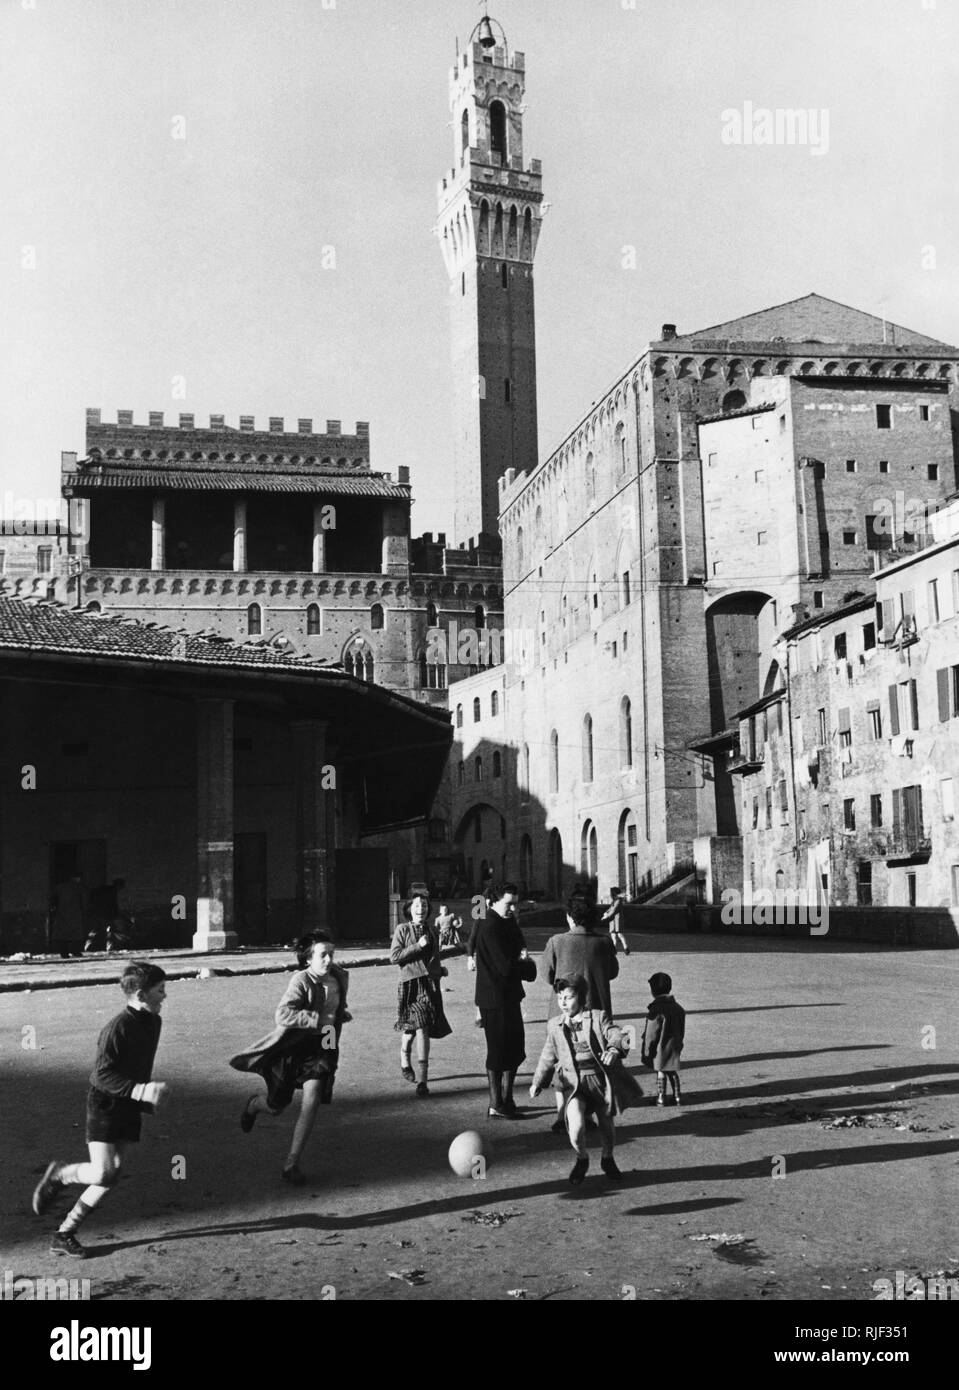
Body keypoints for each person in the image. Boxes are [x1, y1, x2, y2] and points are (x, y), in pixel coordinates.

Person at [32, 960, 170, 1258]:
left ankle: (64, 1233)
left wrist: (142, 1096)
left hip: (128, 1104)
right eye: (160, 990)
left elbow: (137, 1065)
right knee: (103, 1172)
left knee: (111, 1175)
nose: (165, 995)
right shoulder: (117, 1027)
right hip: (105, 1104)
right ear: (142, 995)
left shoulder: (153, 1021)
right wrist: (141, 1090)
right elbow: (101, 1075)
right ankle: (61, 1176)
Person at [230, 932, 351, 1183]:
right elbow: (283, 1014)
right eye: (323, 955)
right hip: (295, 1046)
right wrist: (315, 1019)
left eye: (332, 954)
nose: (328, 960)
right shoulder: (301, 980)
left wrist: (340, 1015)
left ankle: (291, 1163)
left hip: (324, 1044)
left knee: (312, 1101)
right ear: (309, 958)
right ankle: (254, 1105)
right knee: (277, 1106)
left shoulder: (339, 976)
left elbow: (335, 1006)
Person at [530, 974, 642, 1185]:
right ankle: (581, 1157)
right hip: (574, 1084)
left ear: (581, 997)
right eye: (560, 997)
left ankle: (608, 1158)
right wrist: (538, 1081)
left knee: (606, 1125)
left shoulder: (598, 1017)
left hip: (599, 1080)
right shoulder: (554, 1025)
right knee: (576, 1126)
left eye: (569, 997)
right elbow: (548, 1054)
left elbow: (618, 1034)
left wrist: (613, 1049)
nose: (563, 1002)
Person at [541, 892, 620, 1133]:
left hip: (563, 1013)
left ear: (569, 918)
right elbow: (612, 972)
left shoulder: (556, 941)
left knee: (563, 1062)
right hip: (595, 1011)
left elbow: (547, 975)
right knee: (592, 1063)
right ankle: (588, 1115)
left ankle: (562, 1114)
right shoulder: (604, 942)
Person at [473, 882, 533, 1118]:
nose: (513, 909)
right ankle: (496, 1102)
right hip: (494, 999)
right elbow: (506, 966)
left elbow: (520, 947)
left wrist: (523, 960)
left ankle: (506, 1100)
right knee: (499, 1051)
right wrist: (526, 965)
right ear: (494, 902)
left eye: (515, 904)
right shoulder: (489, 925)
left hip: (509, 996)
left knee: (515, 1049)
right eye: (509, 904)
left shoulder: (507, 922)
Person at [389, 893, 451, 1097]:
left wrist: (439, 970)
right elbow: (395, 957)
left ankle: (423, 1081)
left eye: (424, 905)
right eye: (417, 905)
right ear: (409, 908)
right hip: (410, 984)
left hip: (429, 984)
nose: (421, 909)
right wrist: (418, 945)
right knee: (410, 1030)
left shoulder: (433, 929)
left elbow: (434, 957)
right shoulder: (402, 929)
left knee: (423, 1028)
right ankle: (404, 1059)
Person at [641, 971, 686, 1106]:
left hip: (660, 1046)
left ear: (653, 991)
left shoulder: (656, 1009)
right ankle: (677, 1096)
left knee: (661, 1071)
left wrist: (647, 1049)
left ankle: (661, 1097)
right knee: (672, 1071)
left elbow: (651, 1033)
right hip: (675, 1044)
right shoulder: (678, 1008)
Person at [50, 873, 87, 958]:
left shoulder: (59, 887)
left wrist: (54, 909)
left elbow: (52, 899)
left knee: (63, 934)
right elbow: (84, 900)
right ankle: (75, 951)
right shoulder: (78, 888)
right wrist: (84, 911)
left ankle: (64, 952)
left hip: (62, 913)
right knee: (75, 934)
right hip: (75, 913)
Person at [601, 886, 630, 955]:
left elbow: (614, 910)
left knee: (620, 934)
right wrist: (606, 912)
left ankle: (626, 948)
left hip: (617, 920)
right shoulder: (614, 901)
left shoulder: (618, 901)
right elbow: (610, 909)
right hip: (613, 921)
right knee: (613, 935)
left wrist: (606, 916)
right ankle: (614, 949)